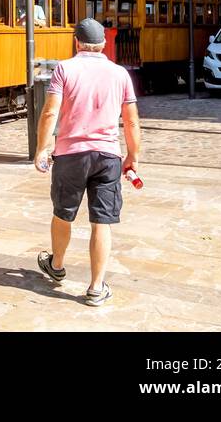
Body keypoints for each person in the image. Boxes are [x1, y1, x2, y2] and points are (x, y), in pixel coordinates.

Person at [33, 17, 141, 307]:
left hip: (70, 155)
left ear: (76, 42)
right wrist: (133, 156)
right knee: (102, 222)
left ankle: (56, 266)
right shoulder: (120, 74)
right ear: (104, 43)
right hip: (108, 156)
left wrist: (42, 149)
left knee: (63, 212)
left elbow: (49, 113)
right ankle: (95, 287)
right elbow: (130, 121)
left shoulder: (64, 69)